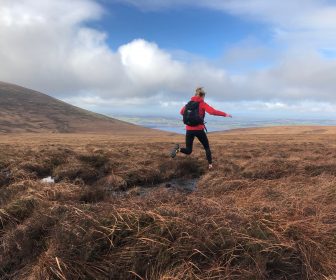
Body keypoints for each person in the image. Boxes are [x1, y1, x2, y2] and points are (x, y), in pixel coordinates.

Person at [170, 87, 232, 169]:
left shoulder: (188, 104)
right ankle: (210, 165)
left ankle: (178, 150)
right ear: (202, 96)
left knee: (189, 150)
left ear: (195, 95)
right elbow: (212, 112)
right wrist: (225, 114)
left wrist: (190, 117)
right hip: (199, 130)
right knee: (207, 147)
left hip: (189, 130)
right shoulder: (202, 103)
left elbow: (181, 112)